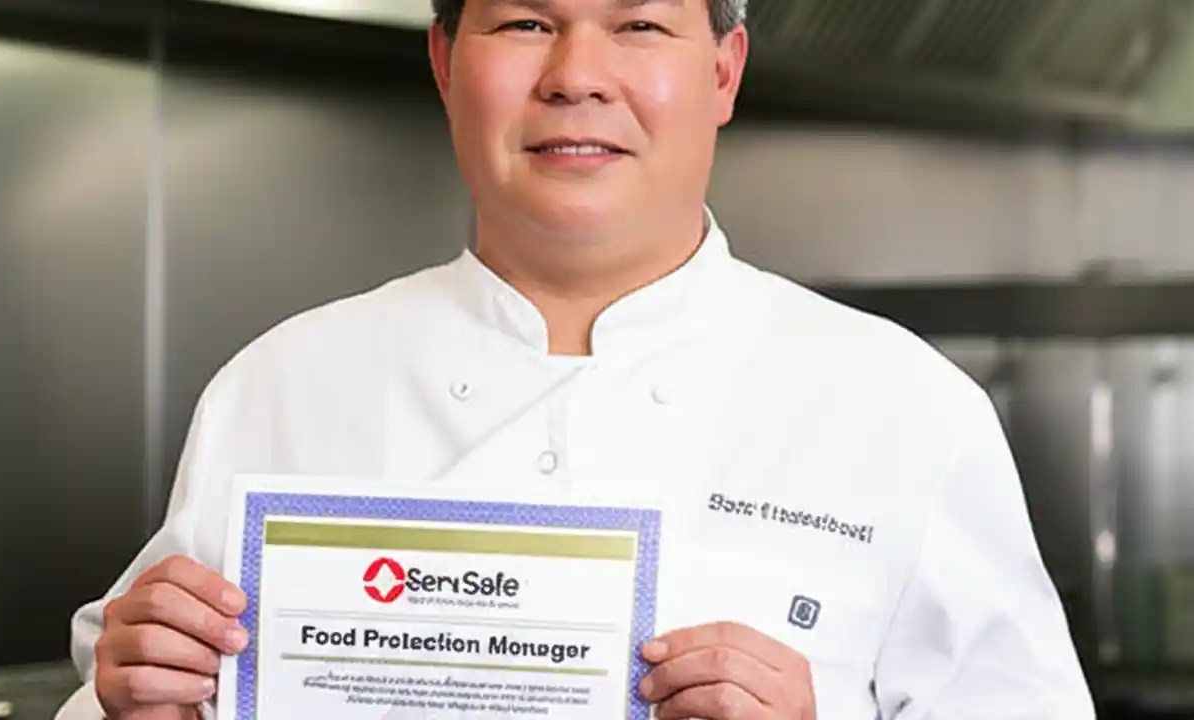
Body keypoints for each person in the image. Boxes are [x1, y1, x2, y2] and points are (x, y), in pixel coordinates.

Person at [55, 0, 1096, 718]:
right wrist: (136, 701)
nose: (577, 78)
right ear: (442, 63)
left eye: (638, 24)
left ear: (723, 71)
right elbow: (140, 691)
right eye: (525, 23)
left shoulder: (905, 408)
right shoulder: (281, 384)